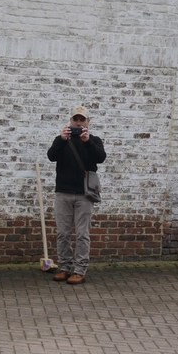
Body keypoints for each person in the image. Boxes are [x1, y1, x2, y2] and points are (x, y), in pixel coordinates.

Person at [46, 105, 106, 285]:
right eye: (75, 119)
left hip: (84, 195)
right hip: (63, 192)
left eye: (82, 120)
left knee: (82, 234)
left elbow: (100, 158)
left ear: (88, 122)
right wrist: (62, 140)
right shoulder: (62, 139)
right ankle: (65, 267)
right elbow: (51, 156)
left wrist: (87, 142)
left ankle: (80, 270)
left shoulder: (94, 140)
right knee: (62, 233)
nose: (78, 123)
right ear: (70, 121)